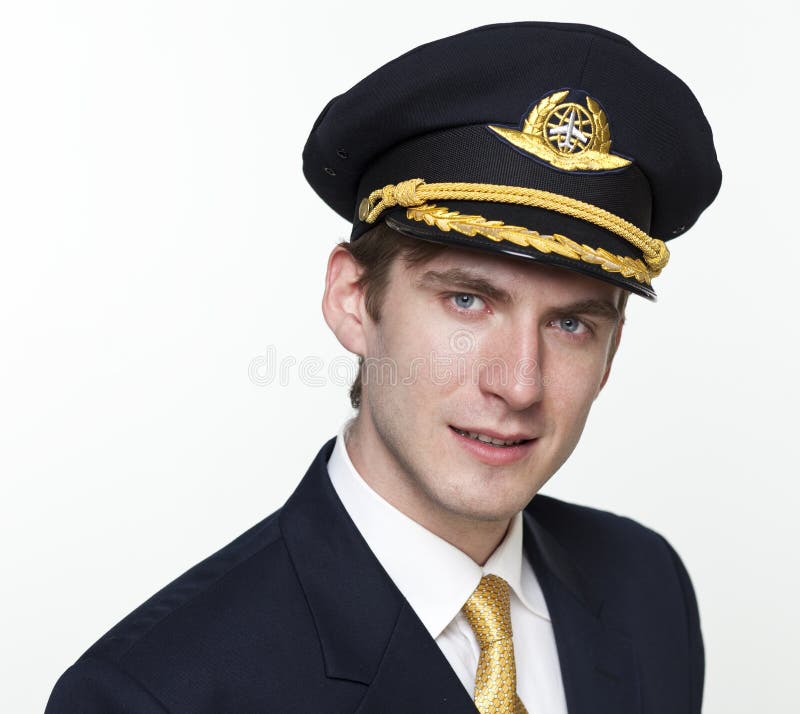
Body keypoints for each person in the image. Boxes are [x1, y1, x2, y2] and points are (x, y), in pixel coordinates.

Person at [46, 20, 720, 714]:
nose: (519, 384)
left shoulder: (647, 589)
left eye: (571, 323)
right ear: (352, 301)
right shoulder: (158, 694)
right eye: (467, 300)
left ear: (612, 353)